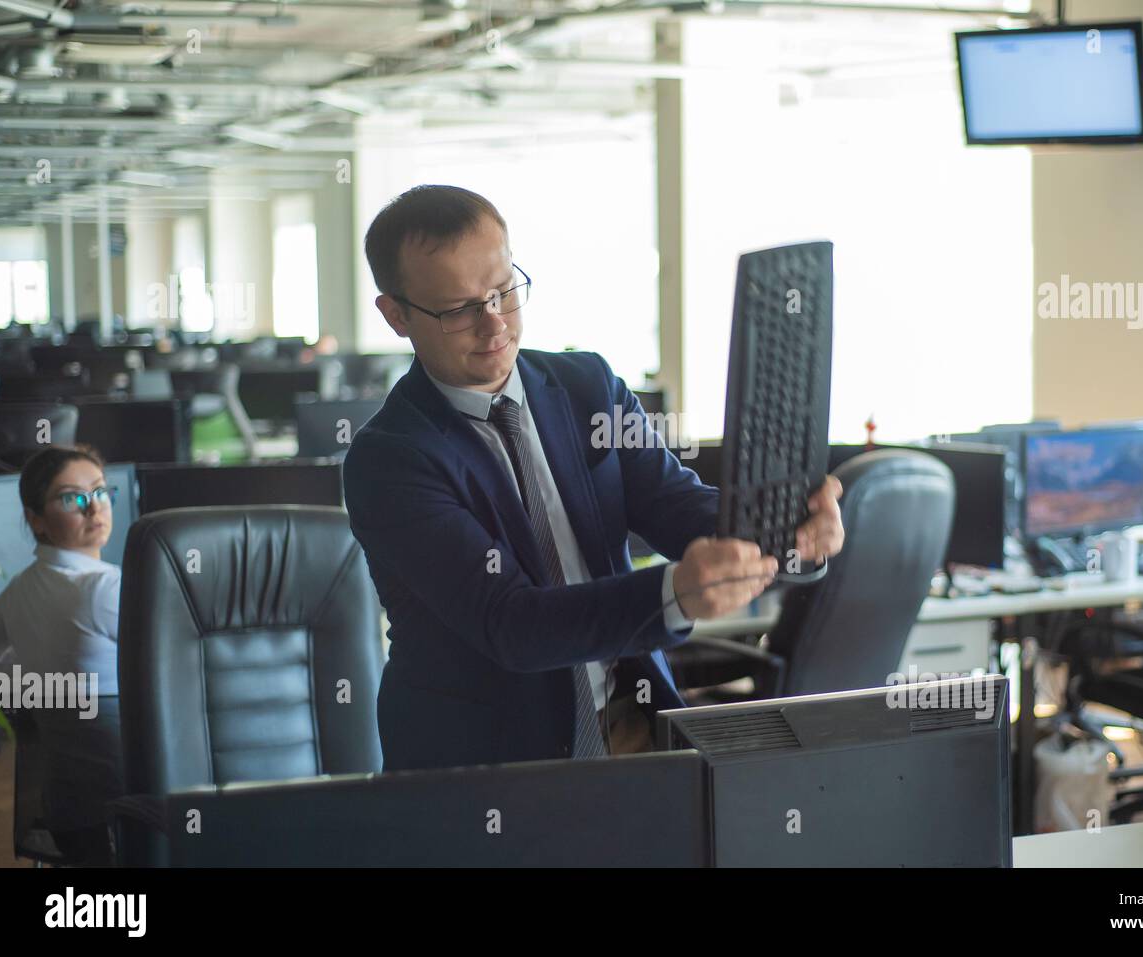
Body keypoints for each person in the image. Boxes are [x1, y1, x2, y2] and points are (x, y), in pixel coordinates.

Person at [344, 185, 845, 772]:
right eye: (459, 309)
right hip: (488, 766)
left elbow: (676, 506)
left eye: (505, 290)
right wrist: (675, 593)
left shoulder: (587, 387)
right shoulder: (391, 460)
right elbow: (511, 624)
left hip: (630, 728)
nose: (495, 324)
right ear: (396, 314)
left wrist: (787, 530)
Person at [0, 445, 123, 865]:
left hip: (69, 819)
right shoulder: (106, 590)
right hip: (134, 810)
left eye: (101, 492)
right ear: (36, 520)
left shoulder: (13, 596)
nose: (94, 509)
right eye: (72, 498)